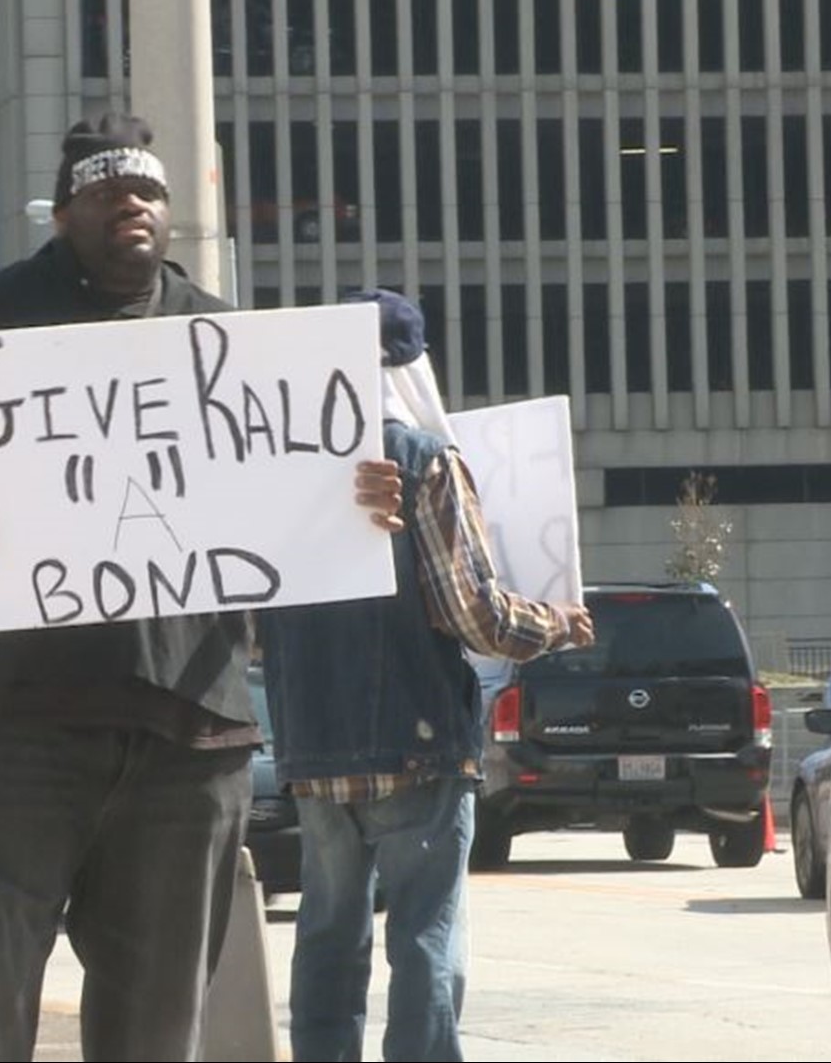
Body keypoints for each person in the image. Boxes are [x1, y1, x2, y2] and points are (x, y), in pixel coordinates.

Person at [0, 112, 405, 1063]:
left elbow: (295, 505)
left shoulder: (232, 344)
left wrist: (357, 502)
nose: (133, 206)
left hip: (186, 736)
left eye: (149, 190)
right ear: (65, 210)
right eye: (109, 190)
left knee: (158, 1026)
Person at [255, 288, 595, 1063]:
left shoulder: (277, 471)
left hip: (311, 748)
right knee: (424, 939)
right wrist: (557, 624)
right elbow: (474, 616)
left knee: (327, 936)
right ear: (413, 370)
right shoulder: (423, 461)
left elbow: (253, 625)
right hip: (419, 747)